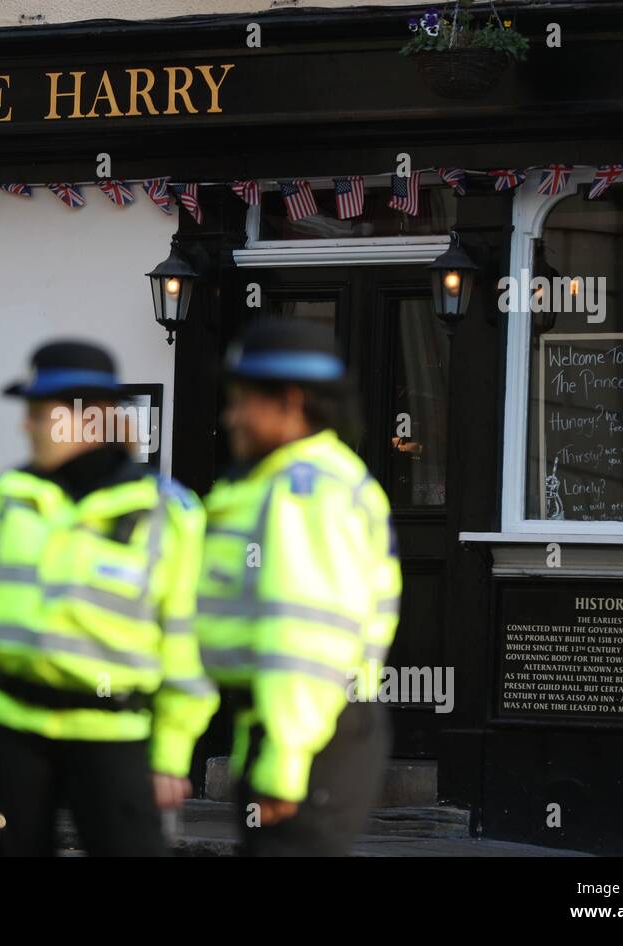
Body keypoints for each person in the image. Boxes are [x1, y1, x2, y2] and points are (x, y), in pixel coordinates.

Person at [0, 339, 218, 856]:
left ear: (87, 417)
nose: (25, 425)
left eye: (39, 412)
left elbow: (186, 640)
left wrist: (172, 753)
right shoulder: (4, 497)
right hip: (8, 727)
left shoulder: (166, 512)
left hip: (115, 735)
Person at [195, 318, 402, 856]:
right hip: (297, 724)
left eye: (241, 400)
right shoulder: (289, 478)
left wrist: (285, 762)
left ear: (289, 401)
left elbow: (308, 634)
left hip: (310, 733)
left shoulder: (304, 489)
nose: (230, 416)